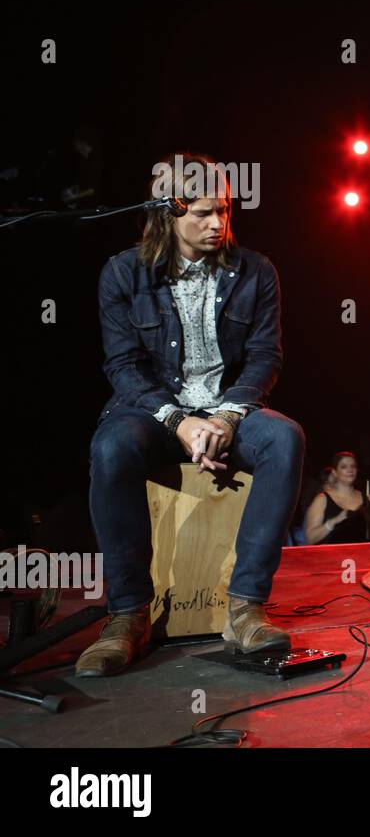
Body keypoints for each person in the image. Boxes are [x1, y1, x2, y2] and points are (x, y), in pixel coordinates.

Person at [80, 154, 304, 677]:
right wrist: (179, 421)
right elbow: (122, 365)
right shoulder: (123, 272)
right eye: (203, 213)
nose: (218, 224)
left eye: (224, 210)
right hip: (154, 412)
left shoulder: (257, 270)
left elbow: (265, 357)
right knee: (111, 447)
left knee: (285, 439)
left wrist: (225, 420)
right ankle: (127, 615)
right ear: (167, 213)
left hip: (228, 409)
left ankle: (245, 607)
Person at [303, 452, 370, 544]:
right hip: (333, 556)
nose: (350, 470)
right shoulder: (322, 499)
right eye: (344, 467)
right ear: (335, 472)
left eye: (353, 466)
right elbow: (310, 538)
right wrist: (335, 521)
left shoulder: (368, 499)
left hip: (362, 555)